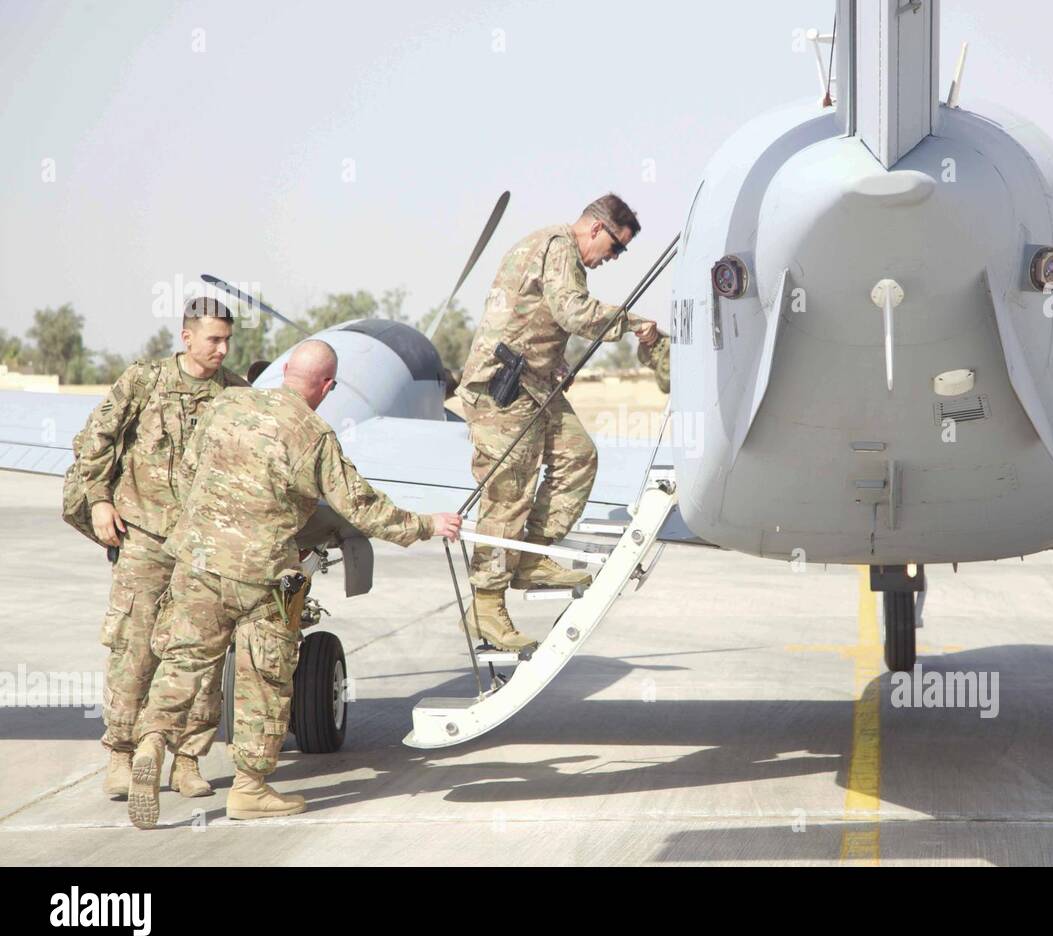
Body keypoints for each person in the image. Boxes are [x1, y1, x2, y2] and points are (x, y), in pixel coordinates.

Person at [128, 339, 462, 828]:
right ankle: (249, 789)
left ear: (283, 370)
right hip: (268, 578)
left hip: (196, 563)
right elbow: (361, 507)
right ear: (328, 386)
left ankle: (153, 742)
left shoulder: (228, 406)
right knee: (265, 679)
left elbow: (188, 466)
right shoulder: (314, 436)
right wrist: (428, 525)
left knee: (182, 661)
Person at [454, 194, 657, 651]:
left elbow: (536, 318)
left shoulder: (559, 251)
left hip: (535, 384)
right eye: (615, 248)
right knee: (507, 496)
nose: (613, 259)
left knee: (577, 455)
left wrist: (556, 360)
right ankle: (486, 607)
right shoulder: (559, 246)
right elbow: (573, 312)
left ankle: (532, 557)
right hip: (503, 392)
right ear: (596, 229)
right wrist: (632, 322)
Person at [78, 297, 247, 801]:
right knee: (134, 647)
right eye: (214, 339)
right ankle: (122, 755)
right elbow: (96, 439)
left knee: (202, 655)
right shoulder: (144, 380)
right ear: (187, 336)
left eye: (227, 341)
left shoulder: (236, 394)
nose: (222, 349)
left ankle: (188, 759)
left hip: (204, 547)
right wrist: (99, 501)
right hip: (145, 536)